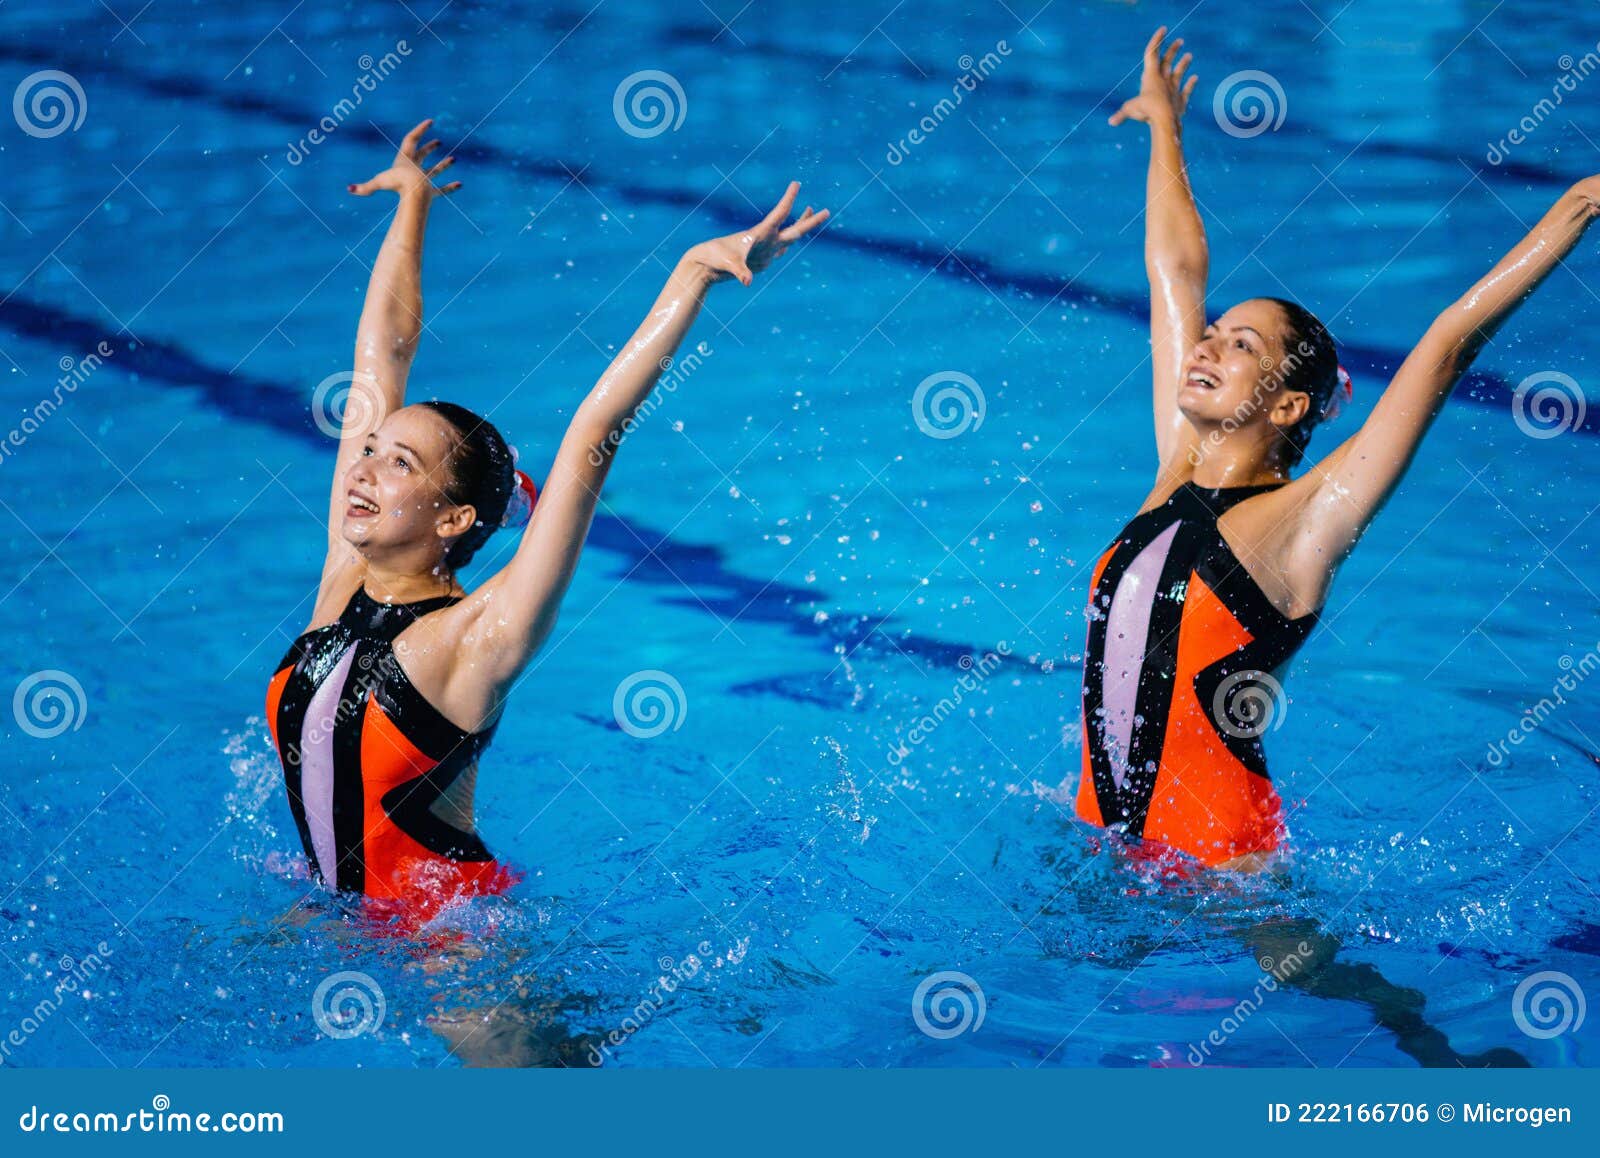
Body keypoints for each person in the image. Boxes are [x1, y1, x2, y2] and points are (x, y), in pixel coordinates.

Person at [1077, 29, 1558, 1067]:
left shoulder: (1307, 519)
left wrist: (1575, 207)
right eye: (1211, 334)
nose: (1204, 343)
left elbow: (1443, 344)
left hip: (1224, 871)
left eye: (1237, 344)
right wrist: (1166, 131)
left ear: (1286, 404)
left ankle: (1443, 1067)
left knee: (1308, 983)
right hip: (1101, 846)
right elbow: (1174, 265)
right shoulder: (1172, 466)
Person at [264, 118, 829, 914]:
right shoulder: (341, 578)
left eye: (400, 464)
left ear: (456, 519)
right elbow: (380, 359)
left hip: (451, 948)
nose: (361, 470)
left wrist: (693, 273)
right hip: (334, 914)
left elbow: (593, 433)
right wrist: (413, 205)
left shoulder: (478, 638)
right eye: (370, 450)